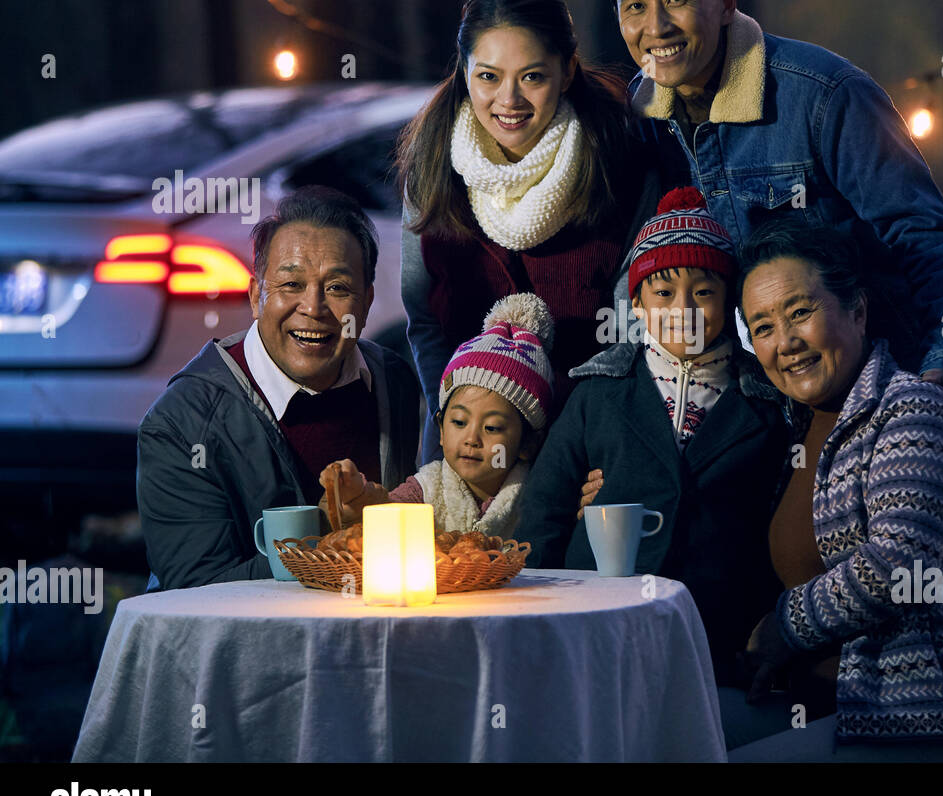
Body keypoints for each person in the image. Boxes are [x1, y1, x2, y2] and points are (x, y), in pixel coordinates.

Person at [599, 0, 943, 451]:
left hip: (885, 406)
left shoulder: (823, 95)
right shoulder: (642, 123)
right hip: (758, 423)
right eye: (634, 7)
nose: (655, 27)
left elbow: (928, 238)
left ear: (726, 2)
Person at [723, 218, 943, 761]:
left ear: (857, 310)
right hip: (825, 705)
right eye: (762, 327)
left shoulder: (911, 409)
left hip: (918, 720)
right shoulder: (791, 427)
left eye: (800, 312)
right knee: (663, 726)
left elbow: (899, 566)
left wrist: (785, 626)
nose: (785, 342)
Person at [514, 187, 787, 679]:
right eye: (662, 293)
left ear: (730, 302)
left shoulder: (764, 401)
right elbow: (545, 512)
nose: (683, 308)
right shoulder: (598, 393)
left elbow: (776, 516)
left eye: (704, 292)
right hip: (597, 622)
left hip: (718, 630)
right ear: (636, 304)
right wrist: (534, 616)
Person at [397, 0, 656, 464]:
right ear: (465, 71)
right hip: (466, 447)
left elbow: (630, 325)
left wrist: (576, 437)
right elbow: (426, 322)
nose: (508, 99)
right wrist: (448, 425)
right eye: (489, 76)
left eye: (532, 76)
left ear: (568, 70)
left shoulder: (617, 161)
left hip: (584, 436)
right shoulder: (434, 164)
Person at [138, 187, 421, 591]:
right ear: (257, 297)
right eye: (291, 284)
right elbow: (196, 589)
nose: (314, 308)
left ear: (368, 302)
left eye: (338, 288)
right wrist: (333, 542)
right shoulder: (183, 421)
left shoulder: (393, 382)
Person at [319, 293, 556, 542]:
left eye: (492, 427)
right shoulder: (427, 488)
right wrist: (356, 496)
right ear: (441, 429)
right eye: (459, 422)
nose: (471, 439)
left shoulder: (539, 492)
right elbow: (385, 516)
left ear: (528, 443)